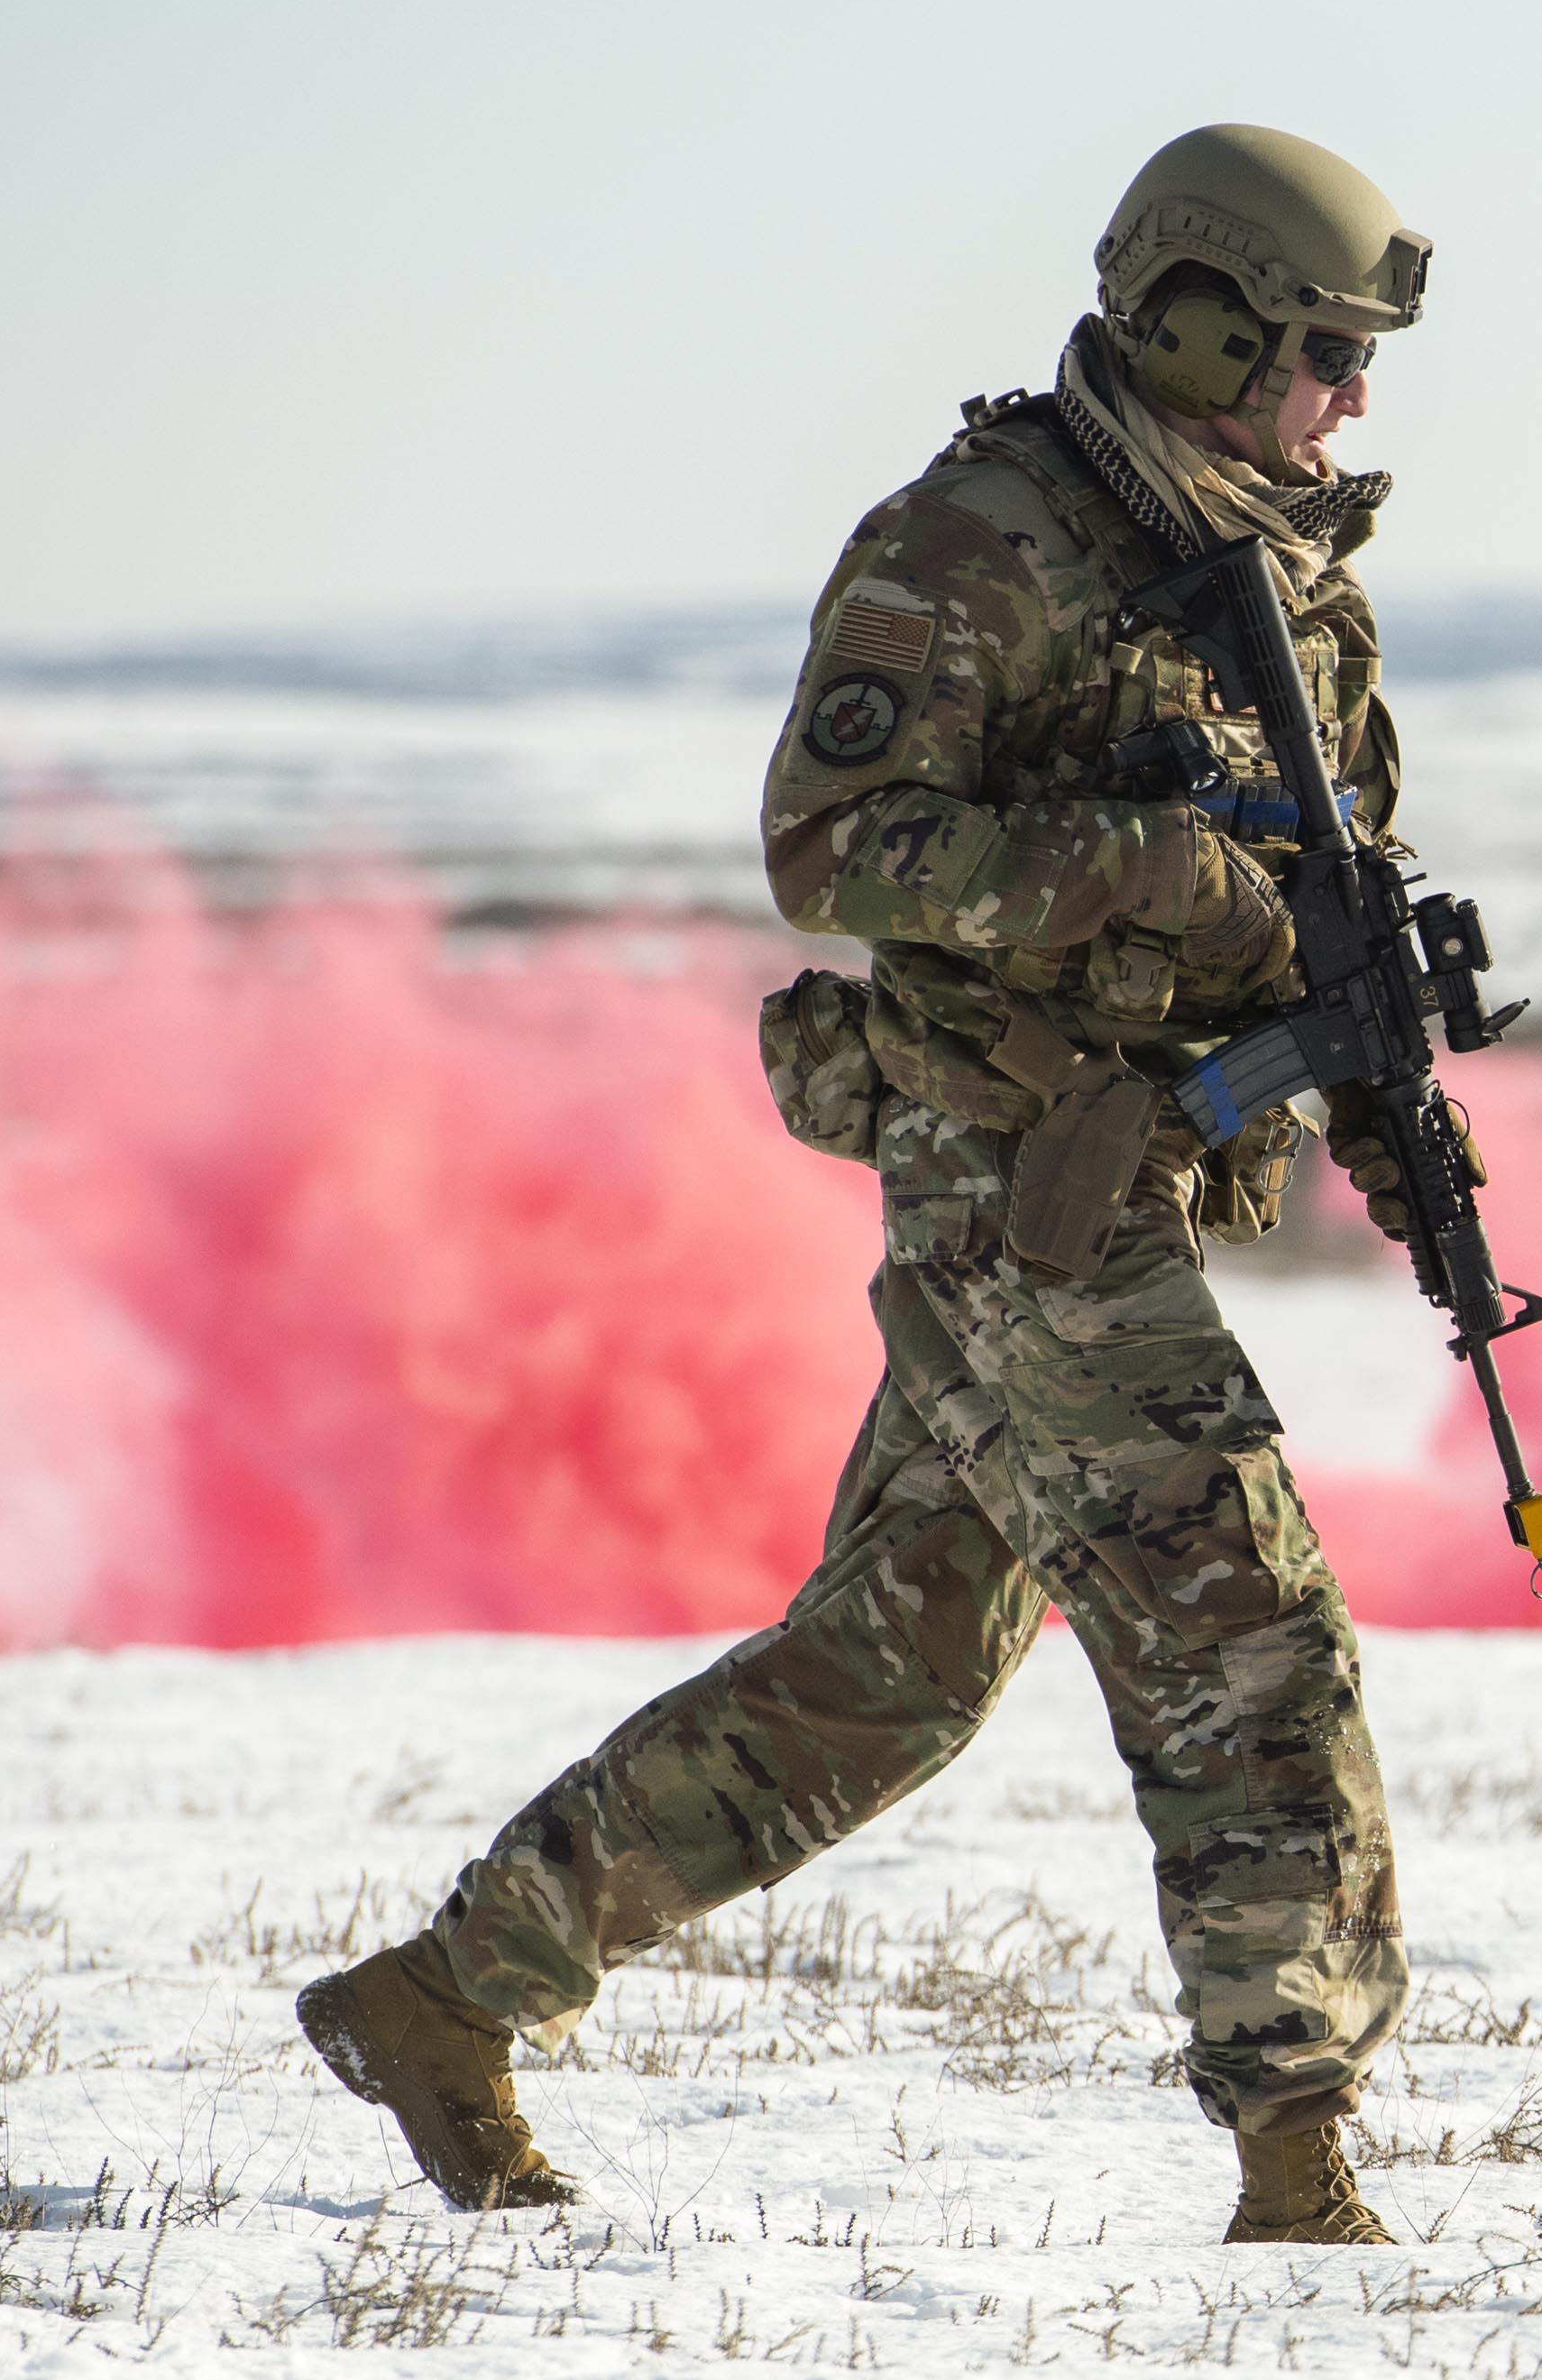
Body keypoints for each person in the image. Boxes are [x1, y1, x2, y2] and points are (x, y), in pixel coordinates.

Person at [297, 124, 1442, 2246]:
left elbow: (1308, 890)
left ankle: (445, 1998)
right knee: (1239, 1619)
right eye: (1319, 351)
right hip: (1014, 1169)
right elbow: (834, 847)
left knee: (888, 1675)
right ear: (1199, 324)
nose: (1347, 398)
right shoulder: (981, 541)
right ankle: (1299, 2156)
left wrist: (1357, 1065)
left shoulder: (1286, 570)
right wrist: (1137, 872)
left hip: (1139, 1160)